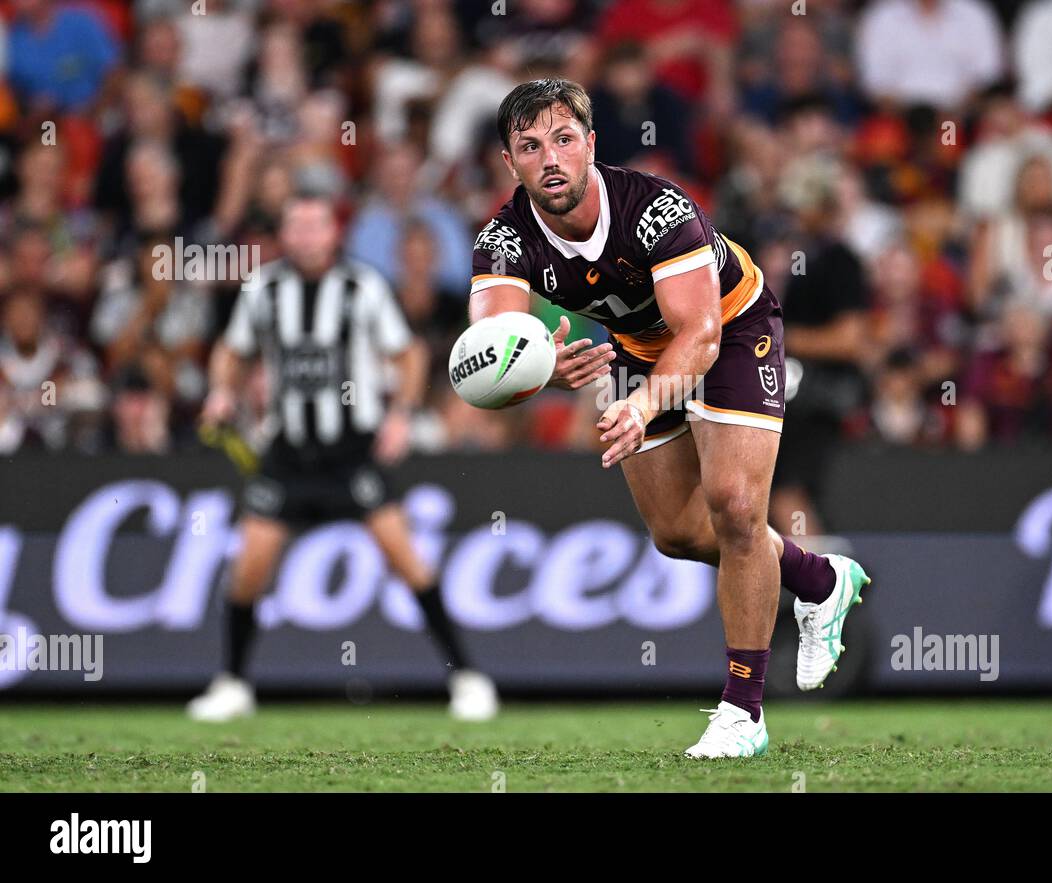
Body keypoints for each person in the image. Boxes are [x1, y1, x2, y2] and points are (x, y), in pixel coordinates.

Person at [468, 79, 870, 758]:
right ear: (511, 163)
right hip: (637, 349)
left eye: (564, 140)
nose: (551, 159)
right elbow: (496, 341)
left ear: (591, 145)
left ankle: (743, 712)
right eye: (530, 146)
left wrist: (641, 401)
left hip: (731, 328)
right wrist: (537, 364)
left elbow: (700, 335)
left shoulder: (654, 208)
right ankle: (819, 577)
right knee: (678, 534)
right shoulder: (503, 238)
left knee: (736, 506)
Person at [187, 193, 497, 723]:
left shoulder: (363, 287)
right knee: (249, 569)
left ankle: (467, 677)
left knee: (406, 561)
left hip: (351, 450)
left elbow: (409, 353)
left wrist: (400, 414)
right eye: (297, 226)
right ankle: (234, 682)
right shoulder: (264, 289)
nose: (307, 236)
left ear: (334, 232)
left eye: (316, 225)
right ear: (286, 234)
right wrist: (221, 391)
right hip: (286, 452)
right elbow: (232, 350)